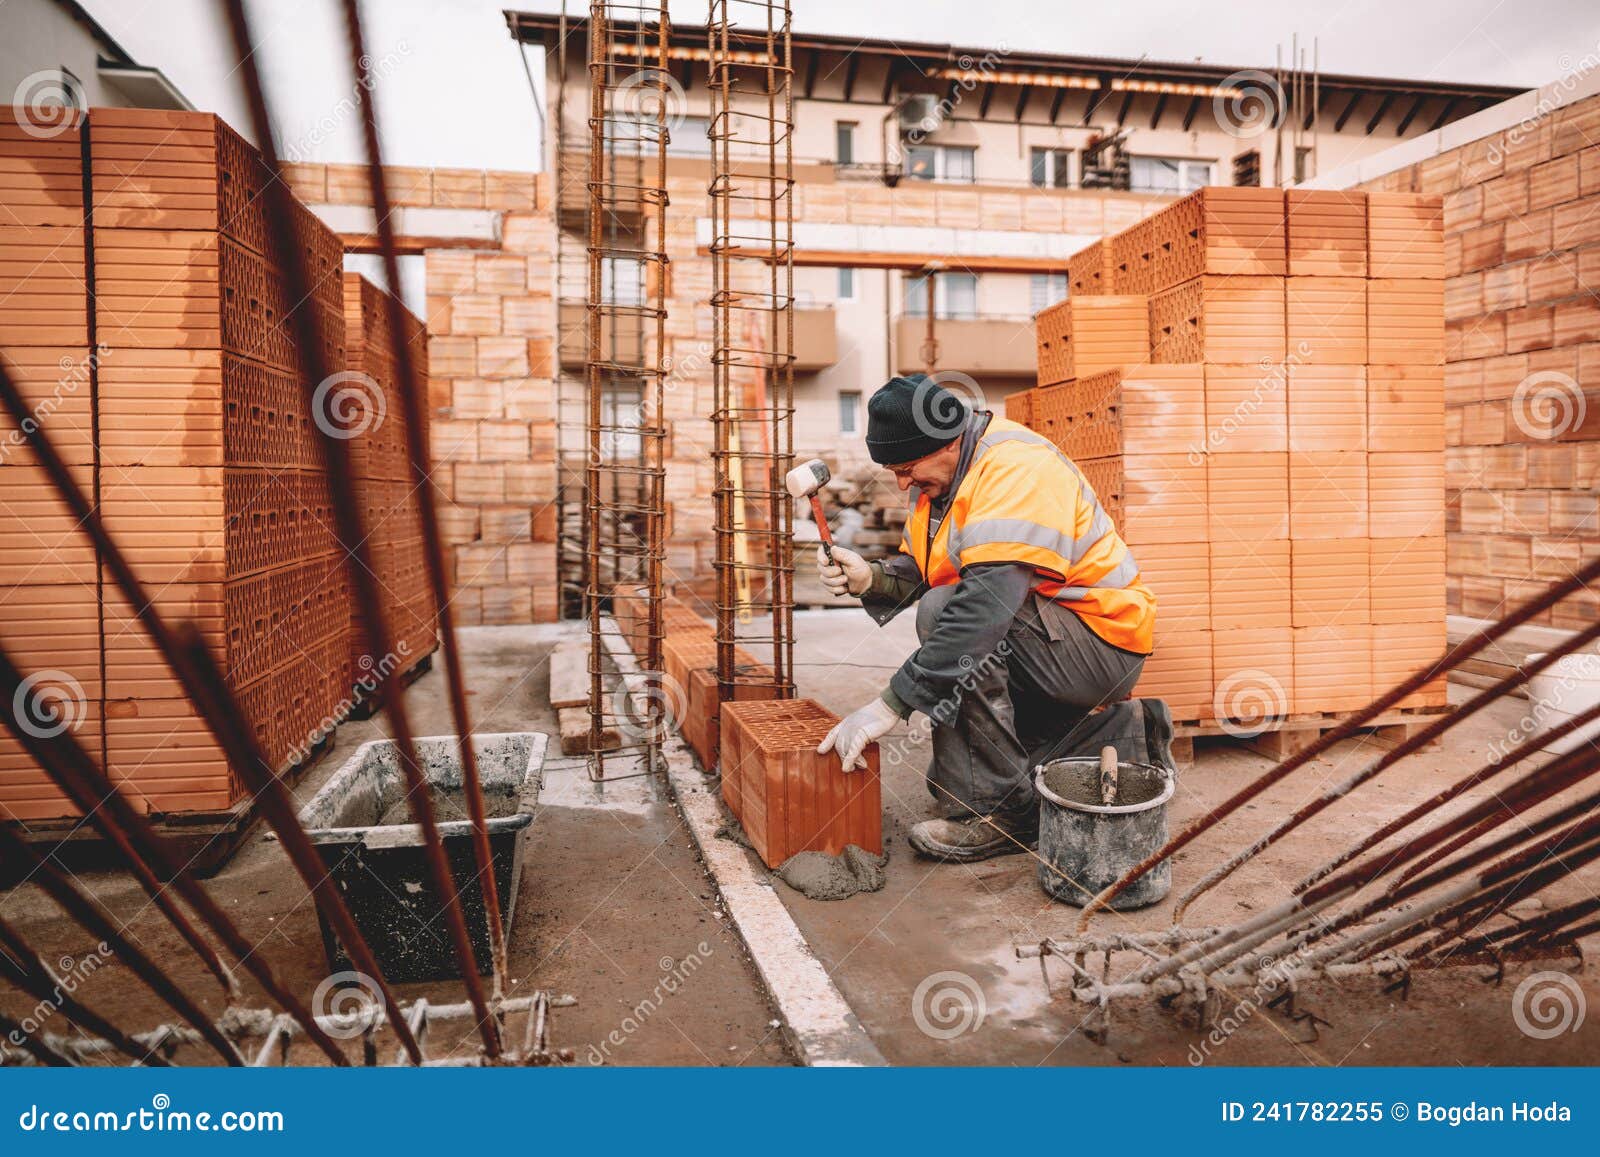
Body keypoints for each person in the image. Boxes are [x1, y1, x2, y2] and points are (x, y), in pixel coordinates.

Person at [815, 373, 1156, 862]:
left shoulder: (1016, 468)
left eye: (908, 468)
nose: (902, 483)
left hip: (1102, 644)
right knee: (955, 767)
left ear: (949, 441)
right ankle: (1113, 735)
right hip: (1050, 639)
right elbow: (926, 566)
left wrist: (891, 704)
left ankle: (1003, 814)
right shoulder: (944, 483)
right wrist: (873, 578)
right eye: (895, 471)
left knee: (947, 614)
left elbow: (984, 608)